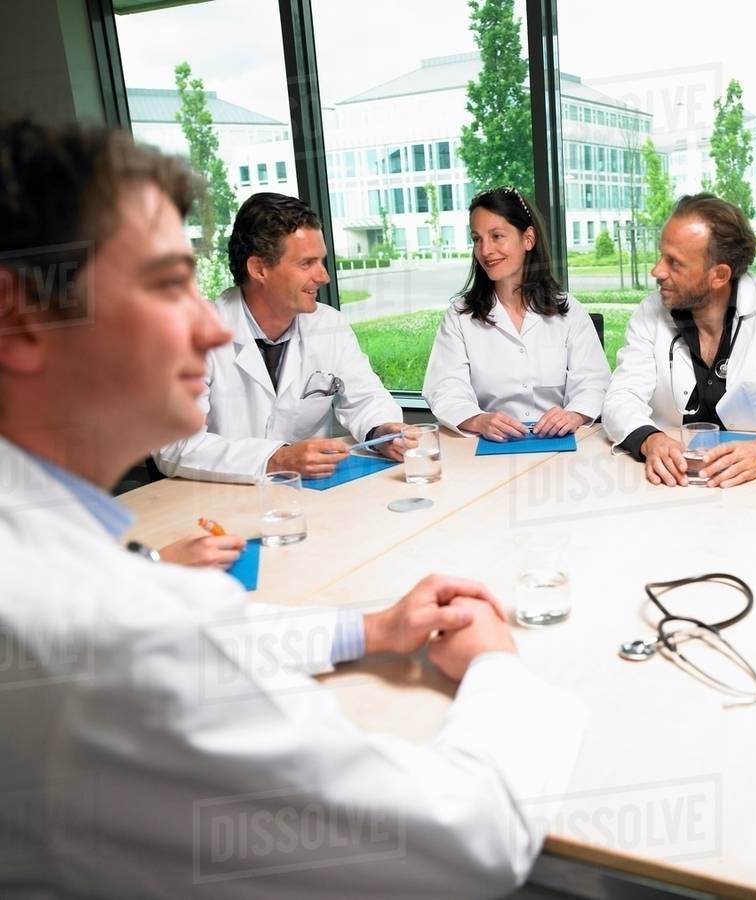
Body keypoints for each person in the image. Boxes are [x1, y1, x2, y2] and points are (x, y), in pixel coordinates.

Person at [0, 119, 585, 898]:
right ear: (21, 320)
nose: (210, 325)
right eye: (169, 285)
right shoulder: (103, 630)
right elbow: (466, 842)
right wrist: (495, 667)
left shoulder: (53, 559)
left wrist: (370, 628)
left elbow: (200, 626)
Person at [153, 192, 411, 483]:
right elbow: (174, 445)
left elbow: (366, 398)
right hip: (218, 499)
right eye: (307, 263)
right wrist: (275, 459)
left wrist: (382, 431)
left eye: (321, 261)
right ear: (259, 269)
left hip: (310, 496)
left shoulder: (328, 325)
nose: (323, 276)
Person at [602, 193, 756, 487]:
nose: (657, 271)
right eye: (660, 255)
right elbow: (620, 398)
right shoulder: (649, 311)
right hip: (671, 487)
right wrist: (650, 439)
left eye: (674, 263)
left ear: (719, 275)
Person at [423, 187, 610, 440]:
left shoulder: (569, 311)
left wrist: (574, 415)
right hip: (490, 449)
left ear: (528, 239)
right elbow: (445, 389)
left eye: (497, 236)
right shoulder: (460, 317)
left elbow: (595, 382)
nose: (485, 250)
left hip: (560, 446)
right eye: (477, 239)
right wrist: (479, 420)